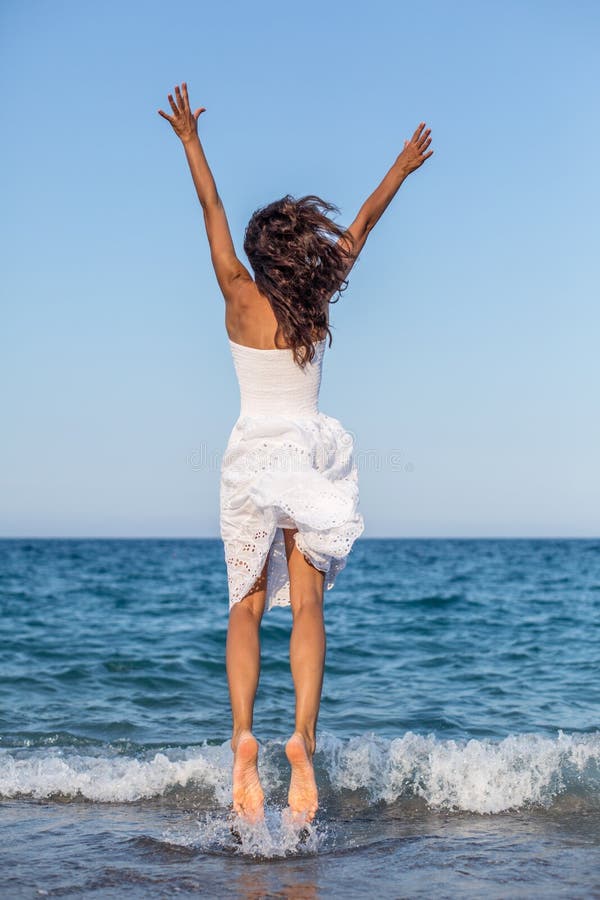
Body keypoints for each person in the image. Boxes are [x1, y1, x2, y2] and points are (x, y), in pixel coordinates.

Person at [158, 83, 433, 828]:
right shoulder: (316, 301)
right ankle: (301, 740)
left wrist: (190, 140)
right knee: (306, 604)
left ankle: (243, 735)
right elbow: (365, 225)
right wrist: (401, 167)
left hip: (251, 454)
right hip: (309, 453)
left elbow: (210, 213)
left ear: (256, 253)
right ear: (299, 246)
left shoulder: (238, 296)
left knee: (245, 606)